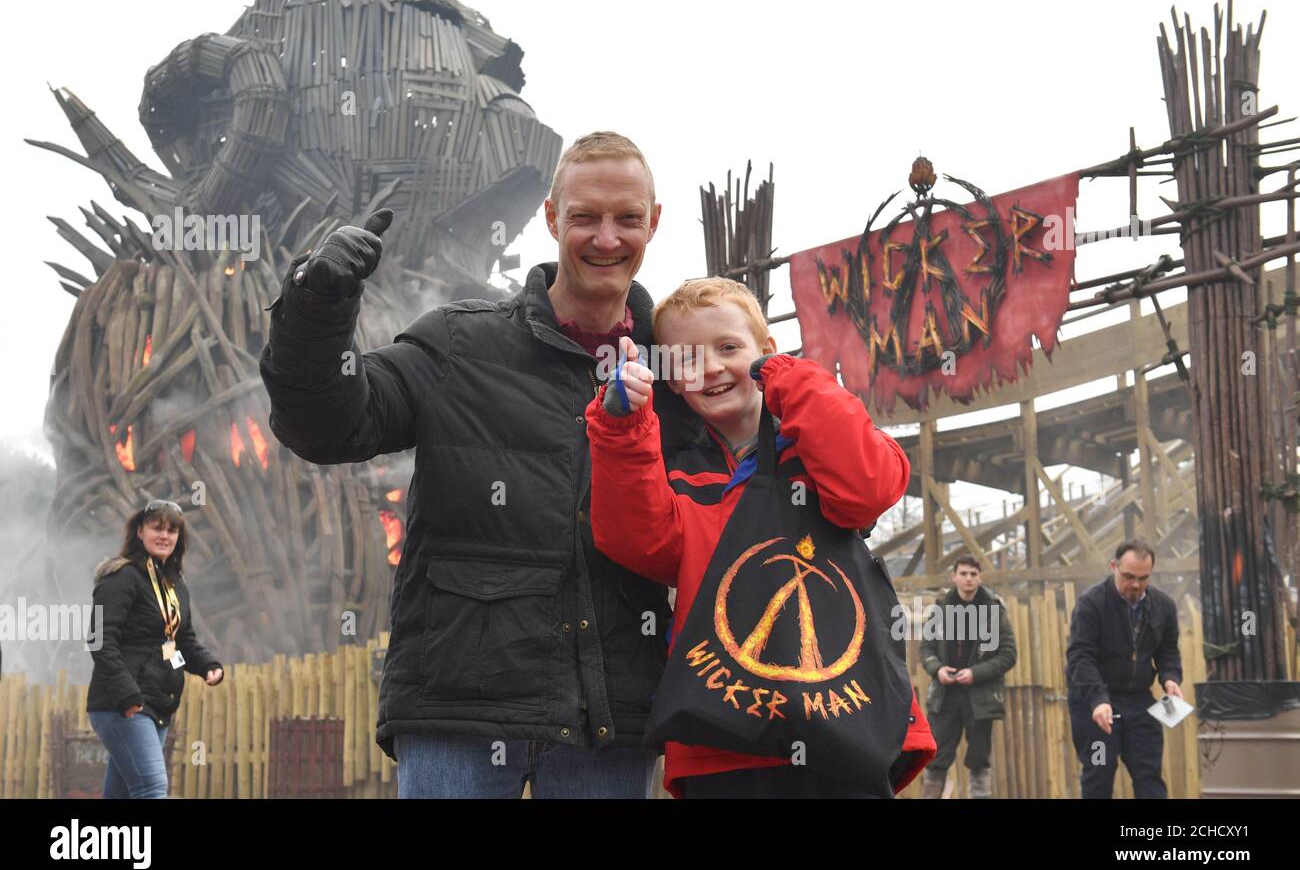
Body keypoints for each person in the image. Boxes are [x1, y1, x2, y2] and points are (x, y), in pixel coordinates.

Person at [259, 131, 673, 798]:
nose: (606, 237)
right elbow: (328, 424)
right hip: (459, 710)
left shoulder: (677, 368)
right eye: (585, 217)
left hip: (610, 718)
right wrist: (316, 303)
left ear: (654, 222)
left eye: (627, 218)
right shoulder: (460, 343)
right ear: (550, 218)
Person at [585, 277, 935, 798]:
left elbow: (869, 487)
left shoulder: (814, 442)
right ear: (672, 382)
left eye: (729, 348)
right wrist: (622, 428)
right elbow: (639, 543)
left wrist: (792, 379)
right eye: (686, 360)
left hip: (841, 722)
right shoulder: (680, 476)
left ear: (766, 352)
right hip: (723, 735)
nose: (710, 368)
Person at [86, 500, 224, 798]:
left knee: (124, 794)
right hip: (123, 705)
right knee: (151, 788)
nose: (165, 535)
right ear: (139, 532)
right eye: (157, 528)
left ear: (179, 538)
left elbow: (183, 640)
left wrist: (207, 665)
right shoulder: (121, 577)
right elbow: (99, 638)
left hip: (159, 703)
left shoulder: (175, 586)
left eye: (172, 530)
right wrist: (126, 694)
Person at [1066, 539, 1182, 799]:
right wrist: (1098, 700)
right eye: (1129, 576)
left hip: (1140, 702)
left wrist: (1170, 678)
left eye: (1143, 578)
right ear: (1113, 566)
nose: (1136, 585)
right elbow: (1080, 656)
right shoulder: (1091, 603)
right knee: (1099, 772)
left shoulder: (1163, 606)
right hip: (1094, 704)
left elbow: (1168, 651)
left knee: (1149, 773)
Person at [918, 556, 1016, 798]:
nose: (968, 578)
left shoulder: (993, 609)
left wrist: (975, 673)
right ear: (954, 577)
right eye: (963, 573)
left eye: (973, 574)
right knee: (935, 759)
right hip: (945, 696)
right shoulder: (941, 608)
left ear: (980, 577)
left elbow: (1008, 654)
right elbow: (926, 649)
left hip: (980, 698)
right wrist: (938, 669)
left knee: (979, 761)